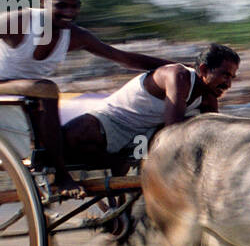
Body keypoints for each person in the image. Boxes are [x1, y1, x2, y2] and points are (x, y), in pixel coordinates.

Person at [0, 0, 178, 196]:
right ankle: (61, 176)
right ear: (43, 2)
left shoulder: (76, 36)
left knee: (75, 107)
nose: (68, 13)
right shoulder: (20, 22)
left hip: (25, 99)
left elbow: (124, 58)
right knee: (46, 88)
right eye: (61, 6)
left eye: (74, 7)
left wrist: (179, 68)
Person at [63, 44, 240, 168]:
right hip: (111, 121)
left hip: (142, 136)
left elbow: (215, 139)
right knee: (67, 140)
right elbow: (173, 130)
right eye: (225, 75)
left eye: (232, 77)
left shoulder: (208, 99)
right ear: (203, 70)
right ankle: (118, 165)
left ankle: (125, 166)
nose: (228, 84)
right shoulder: (178, 76)